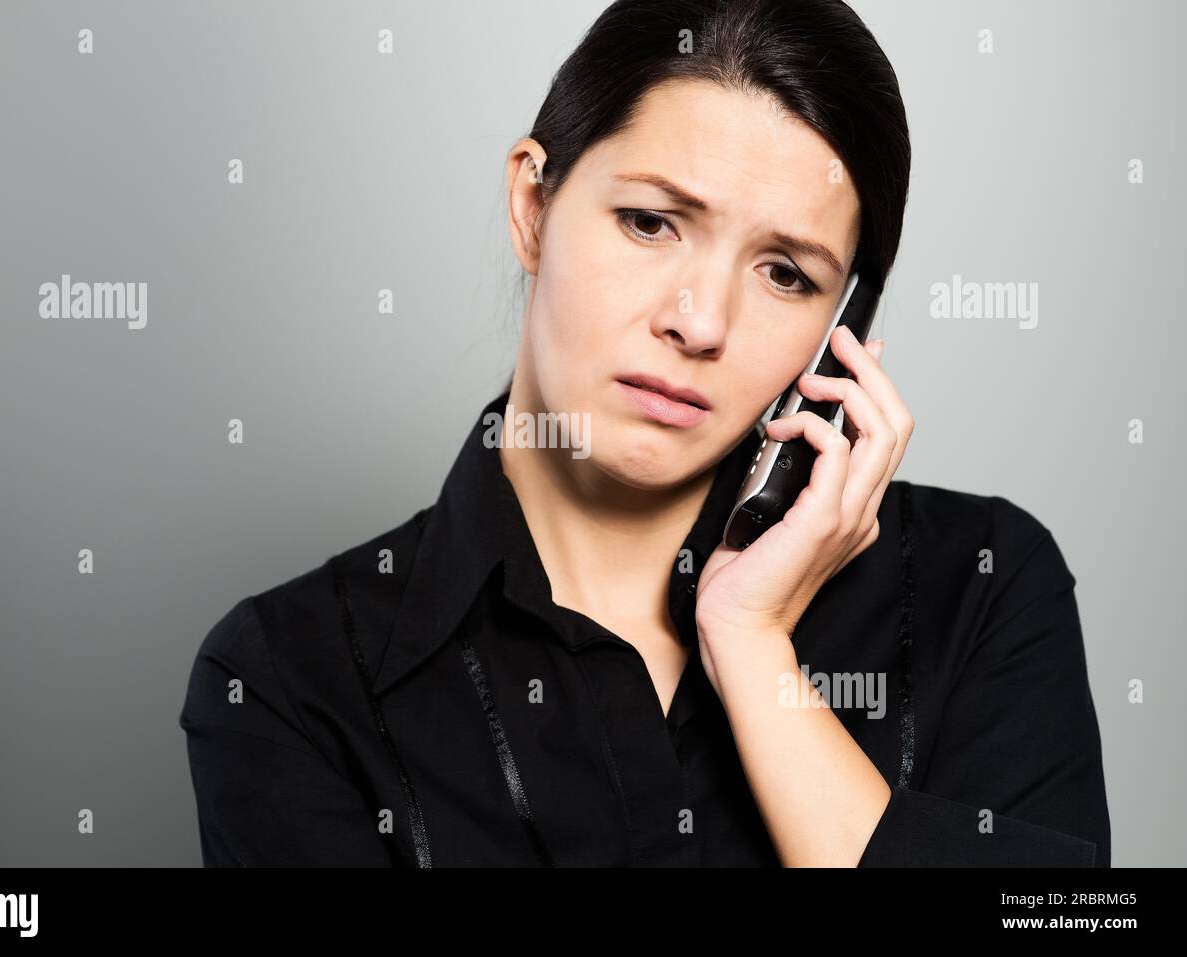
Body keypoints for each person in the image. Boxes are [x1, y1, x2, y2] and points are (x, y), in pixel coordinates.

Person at [179, 0, 1110, 867]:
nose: (700, 321)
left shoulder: (980, 587)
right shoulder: (289, 679)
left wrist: (751, 650)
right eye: (650, 221)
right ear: (533, 207)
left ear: (845, 330)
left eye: (786, 273)